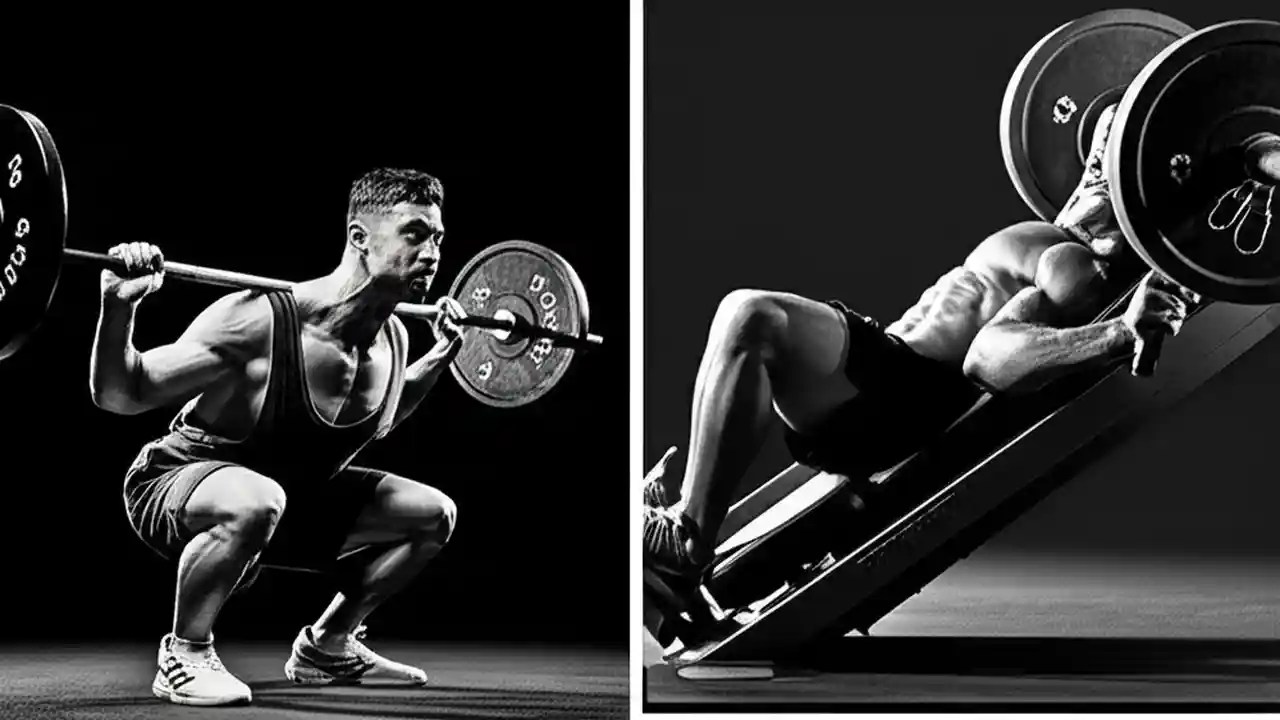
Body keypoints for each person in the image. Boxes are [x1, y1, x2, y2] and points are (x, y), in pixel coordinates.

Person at [642, 106, 1202, 639]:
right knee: (745, 318)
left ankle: (685, 539)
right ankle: (685, 525)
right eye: (1097, 155)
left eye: (1108, 164)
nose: (1091, 171)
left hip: (903, 398)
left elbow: (989, 358)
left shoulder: (1081, 273)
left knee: (751, 316)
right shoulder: (1058, 239)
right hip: (884, 366)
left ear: (1133, 194)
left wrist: (1117, 333)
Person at [91, 168, 465, 706]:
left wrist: (441, 355)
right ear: (359, 237)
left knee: (433, 516)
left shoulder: (395, 339)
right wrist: (119, 305)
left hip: (287, 499)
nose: (431, 252)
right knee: (258, 499)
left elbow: (382, 415)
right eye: (413, 233)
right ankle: (185, 652)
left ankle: (328, 645)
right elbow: (121, 393)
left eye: (437, 238)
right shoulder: (260, 321)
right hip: (175, 481)